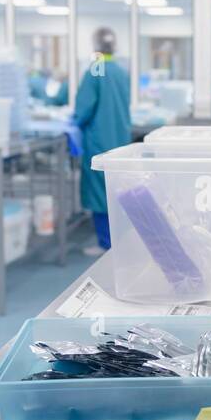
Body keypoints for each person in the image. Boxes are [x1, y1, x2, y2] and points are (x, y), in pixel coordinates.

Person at [74, 27, 132, 256]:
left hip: (100, 138)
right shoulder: (119, 70)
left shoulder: (97, 67)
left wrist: (75, 121)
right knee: (116, 188)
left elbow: (86, 106)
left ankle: (106, 243)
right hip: (119, 137)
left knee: (100, 190)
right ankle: (119, 238)